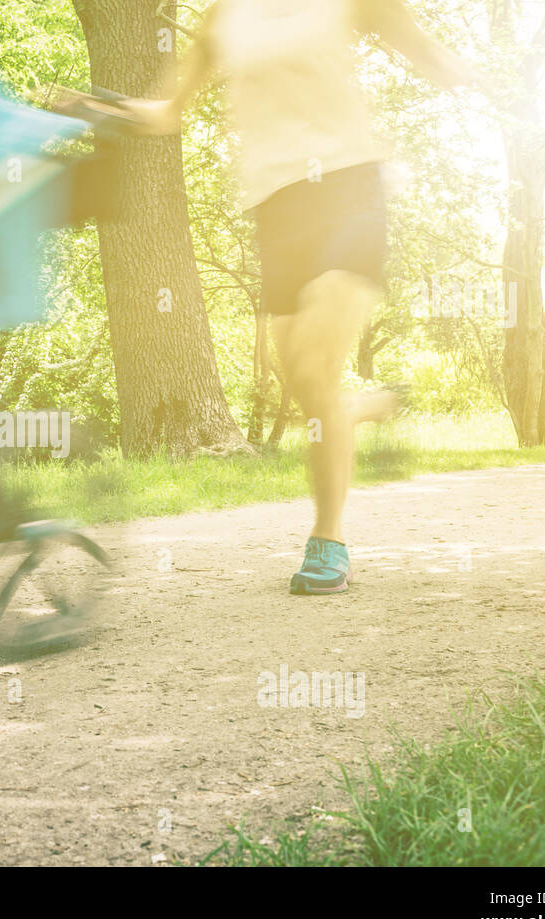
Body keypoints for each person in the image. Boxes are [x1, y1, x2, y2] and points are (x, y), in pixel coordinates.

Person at [119, 0, 483, 594]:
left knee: (315, 369)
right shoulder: (221, 19)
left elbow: (424, 52)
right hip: (276, 212)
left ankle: (329, 539)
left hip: (348, 193)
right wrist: (102, 109)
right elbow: (168, 111)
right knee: (310, 390)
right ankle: (364, 408)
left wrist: (468, 73)